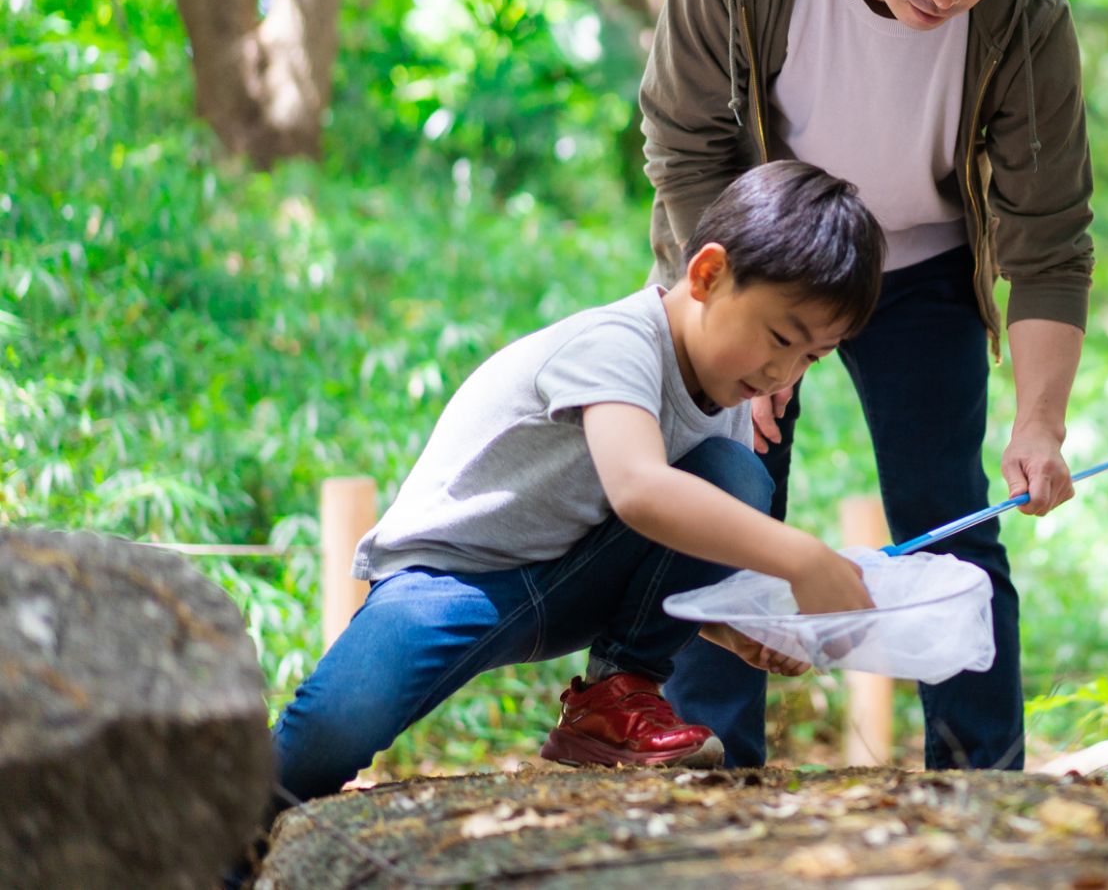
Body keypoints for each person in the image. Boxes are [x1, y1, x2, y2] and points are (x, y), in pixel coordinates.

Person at [640, 0, 1094, 770]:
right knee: (721, 498)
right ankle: (704, 769)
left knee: (950, 523)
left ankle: (981, 784)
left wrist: (1038, 421)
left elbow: (1048, 236)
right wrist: (751, 326)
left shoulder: (1023, 12)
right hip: (752, 255)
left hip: (922, 267)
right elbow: (681, 146)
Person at [267, 162, 885, 806]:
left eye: (811, 357)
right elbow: (639, 491)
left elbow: (663, 560)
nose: (782, 370)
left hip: (567, 583)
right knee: (322, 743)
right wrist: (804, 558)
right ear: (707, 274)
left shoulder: (727, 400)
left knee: (734, 476)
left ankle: (615, 699)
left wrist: (735, 628)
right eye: (781, 337)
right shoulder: (618, 344)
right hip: (450, 582)